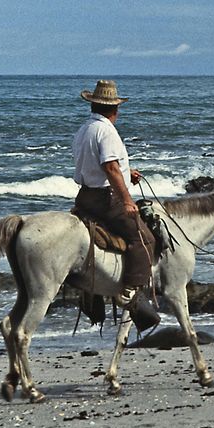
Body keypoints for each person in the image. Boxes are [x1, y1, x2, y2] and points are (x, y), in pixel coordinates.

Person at [72, 80, 155, 310]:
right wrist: (127, 200)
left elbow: (96, 164)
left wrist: (128, 172)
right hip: (105, 200)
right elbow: (110, 168)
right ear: (115, 109)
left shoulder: (85, 129)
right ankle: (129, 291)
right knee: (144, 239)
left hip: (85, 196)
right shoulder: (107, 131)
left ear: (93, 105)